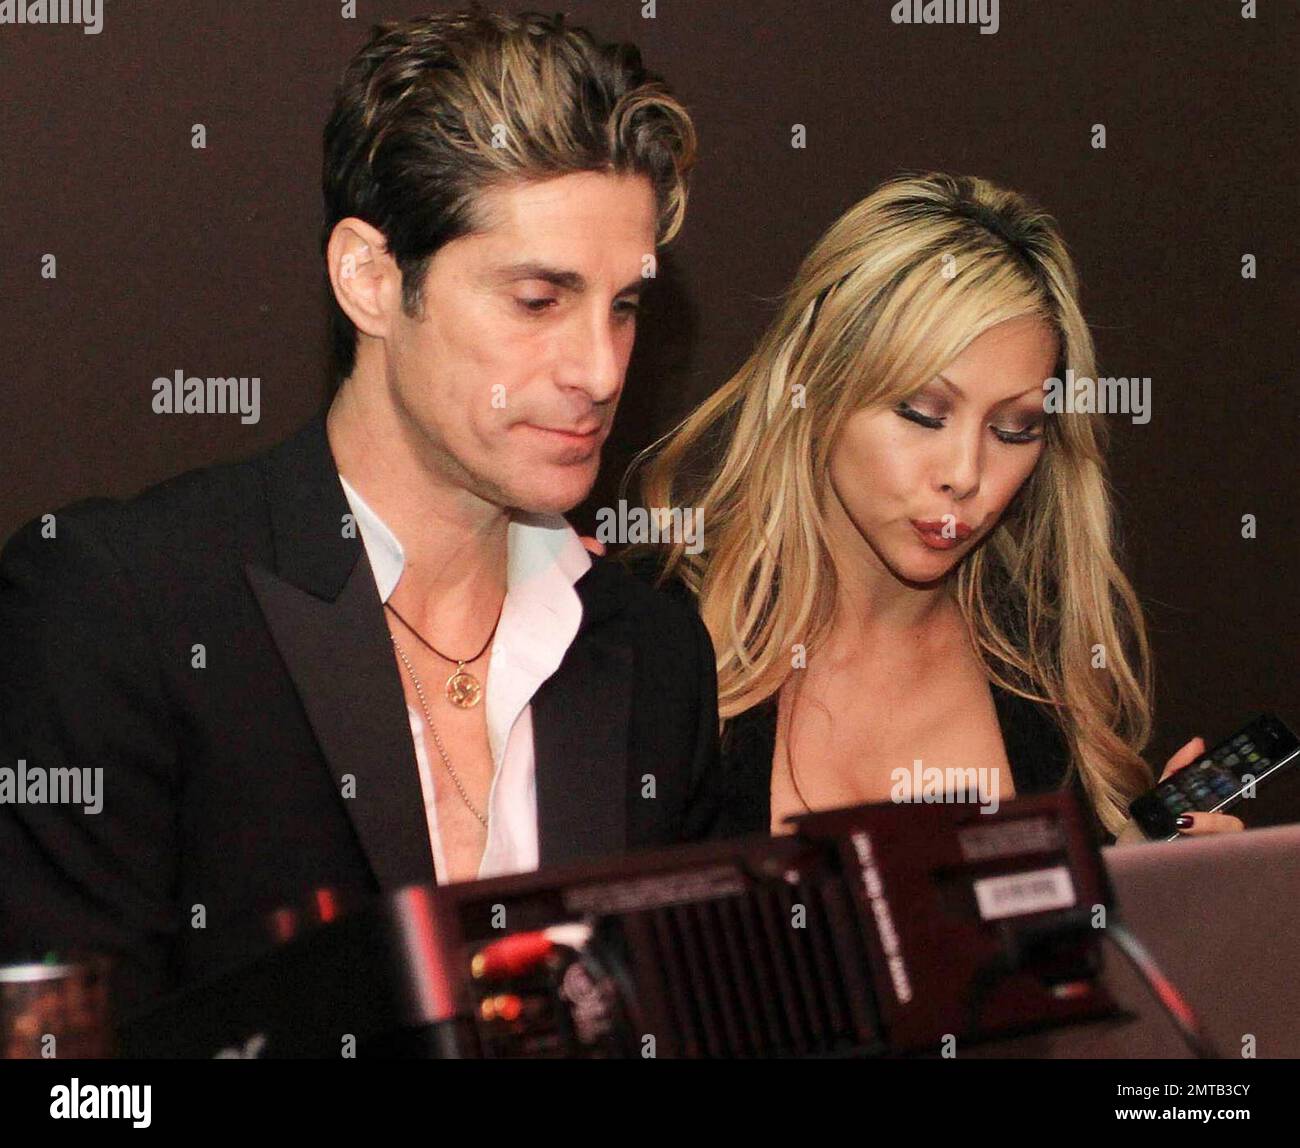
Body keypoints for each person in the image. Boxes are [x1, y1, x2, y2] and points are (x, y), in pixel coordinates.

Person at [0, 9, 726, 1021]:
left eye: (624, 305)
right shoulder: (125, 605)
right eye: (536, 300)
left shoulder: (653, 657)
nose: (599, 369)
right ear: (371, 280)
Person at [614, 172, 1244, 847]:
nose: (965, 475)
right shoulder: (647, 630)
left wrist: (1144, 902)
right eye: (921, 413)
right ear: (817, 386)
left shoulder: (1043, 671)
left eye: (1014, 430)